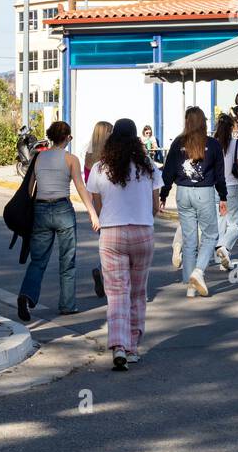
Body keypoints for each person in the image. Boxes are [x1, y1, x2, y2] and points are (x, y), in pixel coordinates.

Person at [86, 118, 158, 371]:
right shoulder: (148, 166)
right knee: (138, 293)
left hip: (112, 234)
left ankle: (118, 345)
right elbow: (156, 206)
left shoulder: (100, 167)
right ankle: (133, 347)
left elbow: (97, 205)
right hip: (142, 233)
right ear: (137, 139)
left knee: (116, 293)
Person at [16, 121, 101, 322]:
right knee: (67, 260)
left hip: (41, 210)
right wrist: (92, 213)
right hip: (63, 209)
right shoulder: (71, 159)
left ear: (51, 136)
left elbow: (28, 189)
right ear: (68, 138)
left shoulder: (38, 157)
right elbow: (80, 187)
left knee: (38, 260)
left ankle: (26, 295)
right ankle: (67, 305)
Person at [162, 106, 228, 297]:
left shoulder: (178, 143)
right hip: (204, 192)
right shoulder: (213, 144)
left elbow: (168, 172)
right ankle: (198, 271)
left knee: (190, 239)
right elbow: (219, 175)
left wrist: (164, 194)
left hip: (182, 192)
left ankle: (190, 286)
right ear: (203, 122)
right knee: (210, 235)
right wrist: (223, 196)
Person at [83, 120, 113, 296]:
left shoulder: (89, 153)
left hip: (97, 201)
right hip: (111, 199)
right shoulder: (110, 153)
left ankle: (101, 271)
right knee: (112, 245)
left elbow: (89, 184)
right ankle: (103, 273)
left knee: (105, 242)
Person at [213, 113, 238, 270]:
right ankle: (224, 247)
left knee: (221, 221)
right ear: (232, 127)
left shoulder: (212, 144)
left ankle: (220, 258)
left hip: (214, 187)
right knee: (236, 223)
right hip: (231, 186)